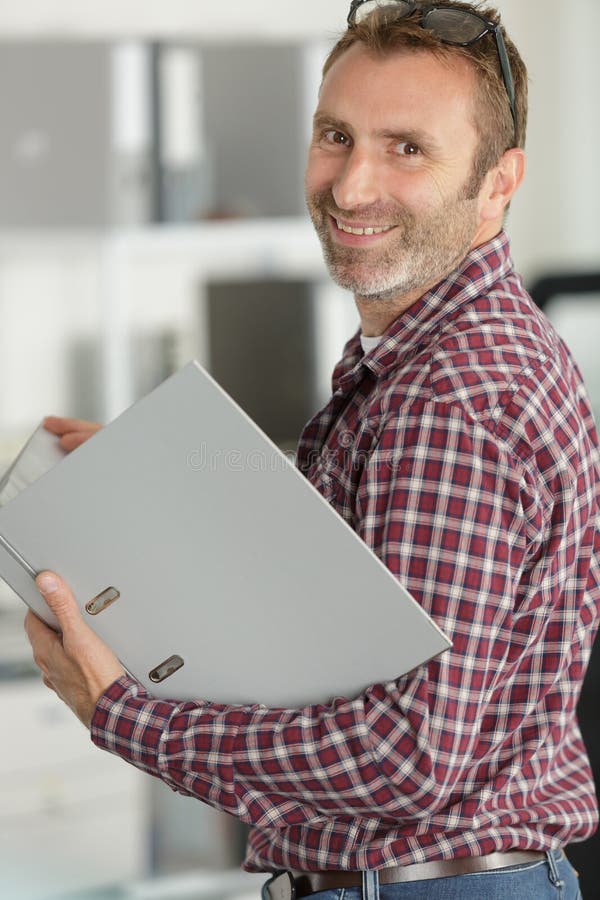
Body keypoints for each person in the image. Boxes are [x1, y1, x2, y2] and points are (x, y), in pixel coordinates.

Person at [24, 1, 599, 898]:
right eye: (336, 135)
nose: (351, 184)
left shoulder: (455, 395)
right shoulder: (428, 356)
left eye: (408, 148)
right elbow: (350, 595)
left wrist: (121, 715)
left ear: (499, 182)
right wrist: (170, 482)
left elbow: (404, 757)